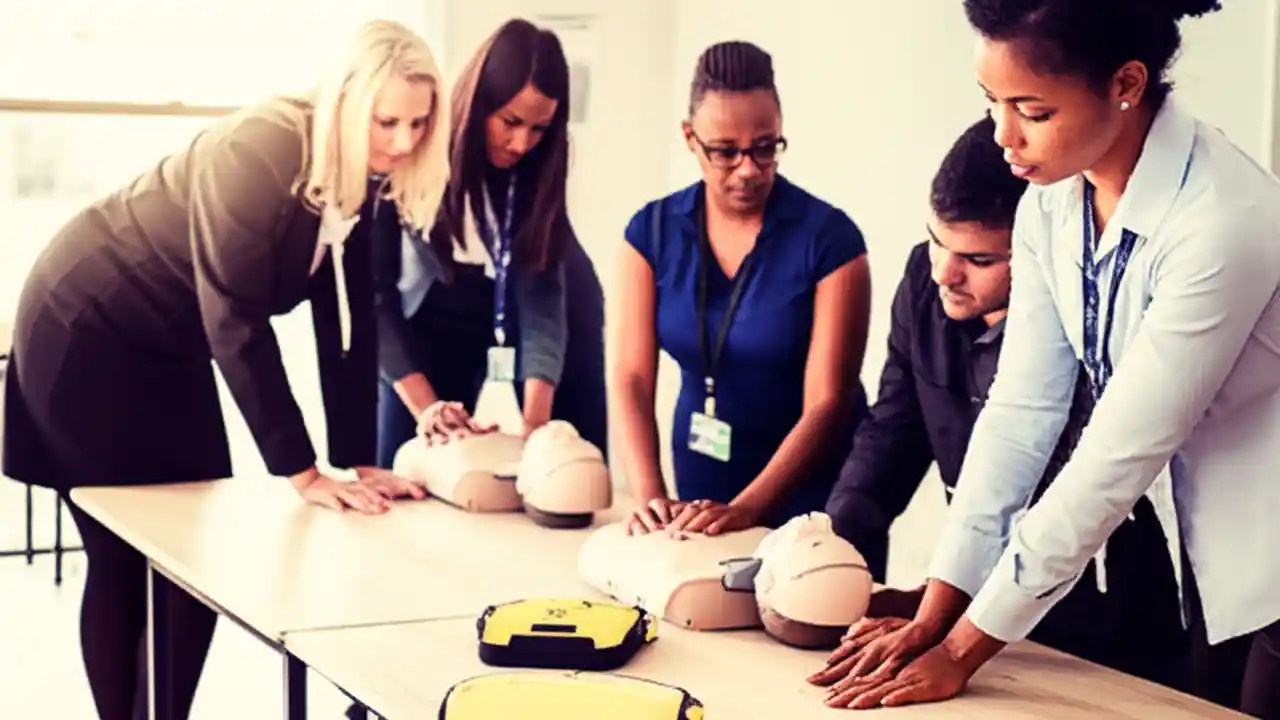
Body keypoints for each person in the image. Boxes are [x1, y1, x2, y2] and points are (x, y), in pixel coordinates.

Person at [811, 1, 1280, 715]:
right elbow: (1020, 413)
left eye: (1031, 109)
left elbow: (1113, 459)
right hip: (1212, 559)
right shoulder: (1052, 203)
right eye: (991, 101)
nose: (1003, 135)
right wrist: (936, 611)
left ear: (1125, 83)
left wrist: (964, 650)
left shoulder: (1225, 220)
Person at [1, 20, 448, 720]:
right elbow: (235, 318)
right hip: (84, 330)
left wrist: (355, 461)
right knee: (121, 555)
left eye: (418, 123)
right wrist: (302, 472)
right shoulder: (257, 149)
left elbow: (349, 323)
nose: (401, 141)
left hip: (169, 345)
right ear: (342, 101)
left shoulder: (367, 181)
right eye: (385, 120)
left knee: (192, 564)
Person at [819, 116, 1188, 689]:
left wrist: (948, 616)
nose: (945, 273)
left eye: (980, 260)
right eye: (936, 240)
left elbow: (1073, 499)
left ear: (1039, 250)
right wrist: (826, 566)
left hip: (1108, 616)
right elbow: (890, 433)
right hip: (975, 608)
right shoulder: (927, 279)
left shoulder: (1094, 328)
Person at [609, 40, 872, 537]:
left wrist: (749, 509)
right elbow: (631, 378)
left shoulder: (832, 241)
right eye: (726, 152)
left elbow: (828, 401)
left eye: (765, 147)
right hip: (701, 477)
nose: (748, 168)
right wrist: (649, 498)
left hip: (815, 489)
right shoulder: (651, 233)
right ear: (690, 138)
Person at [373, 18, 607, 464]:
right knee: (405, 463)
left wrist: (536, 429)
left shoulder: (539, 172)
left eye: (539, 129)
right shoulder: (414, 151)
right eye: (510, 122)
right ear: (479, 104)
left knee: (553, 466)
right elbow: (376, 302)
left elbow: (542, 304)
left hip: (518, 312)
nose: (522, 143)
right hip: (421, 319)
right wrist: (428, 408)